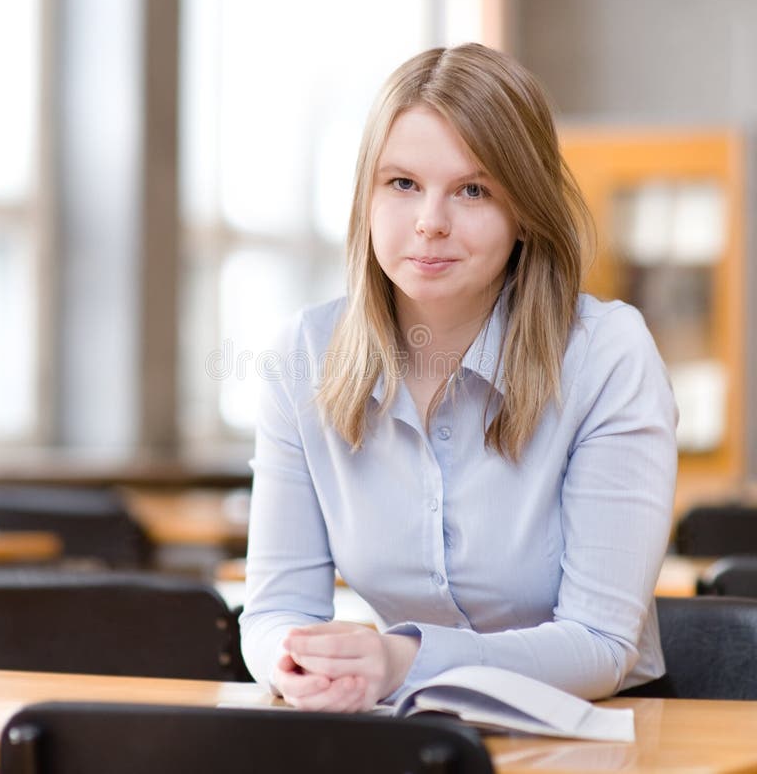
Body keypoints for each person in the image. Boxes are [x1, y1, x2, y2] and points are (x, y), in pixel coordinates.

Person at [239, 43, 677, 713]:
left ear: (525, 210)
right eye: (402, 183)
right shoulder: (302, 356)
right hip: (403, 734)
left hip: (598, 735)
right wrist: (299, 663)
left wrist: (400, 659)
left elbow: (600, 642)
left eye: (473, 189)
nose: (430, 222)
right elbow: (271, 612)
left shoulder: (607, 356)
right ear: (366, 197)